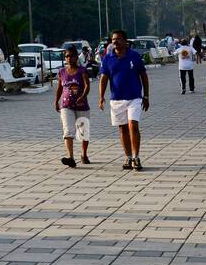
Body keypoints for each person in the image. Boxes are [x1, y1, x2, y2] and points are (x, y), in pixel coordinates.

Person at [97, 29, 150, 171]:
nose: (116, 41)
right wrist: (101, 97)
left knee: (133, 125)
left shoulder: (134, 56)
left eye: (119, 39)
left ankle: (136, 157)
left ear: (125, 42)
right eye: (113, 39)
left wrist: (146, 96)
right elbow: (104, 78)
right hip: (117, 99)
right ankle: (128, 156)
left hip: (134, 97)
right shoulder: (107, 58)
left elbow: (143, 76)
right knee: (123, 129)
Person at [54, 46, 91, 167]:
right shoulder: (62, 72)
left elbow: (87, 85)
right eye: (67, 56)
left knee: (83, 132)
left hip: (81, 105)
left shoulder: (82, 71)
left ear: (76, 57)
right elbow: (60, 87)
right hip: (66, 105)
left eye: (71, 56)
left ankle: (84, 154)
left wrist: (83, 95)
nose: (69, 58)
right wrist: (56, 101)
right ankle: (70, 157)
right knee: (68, 130)